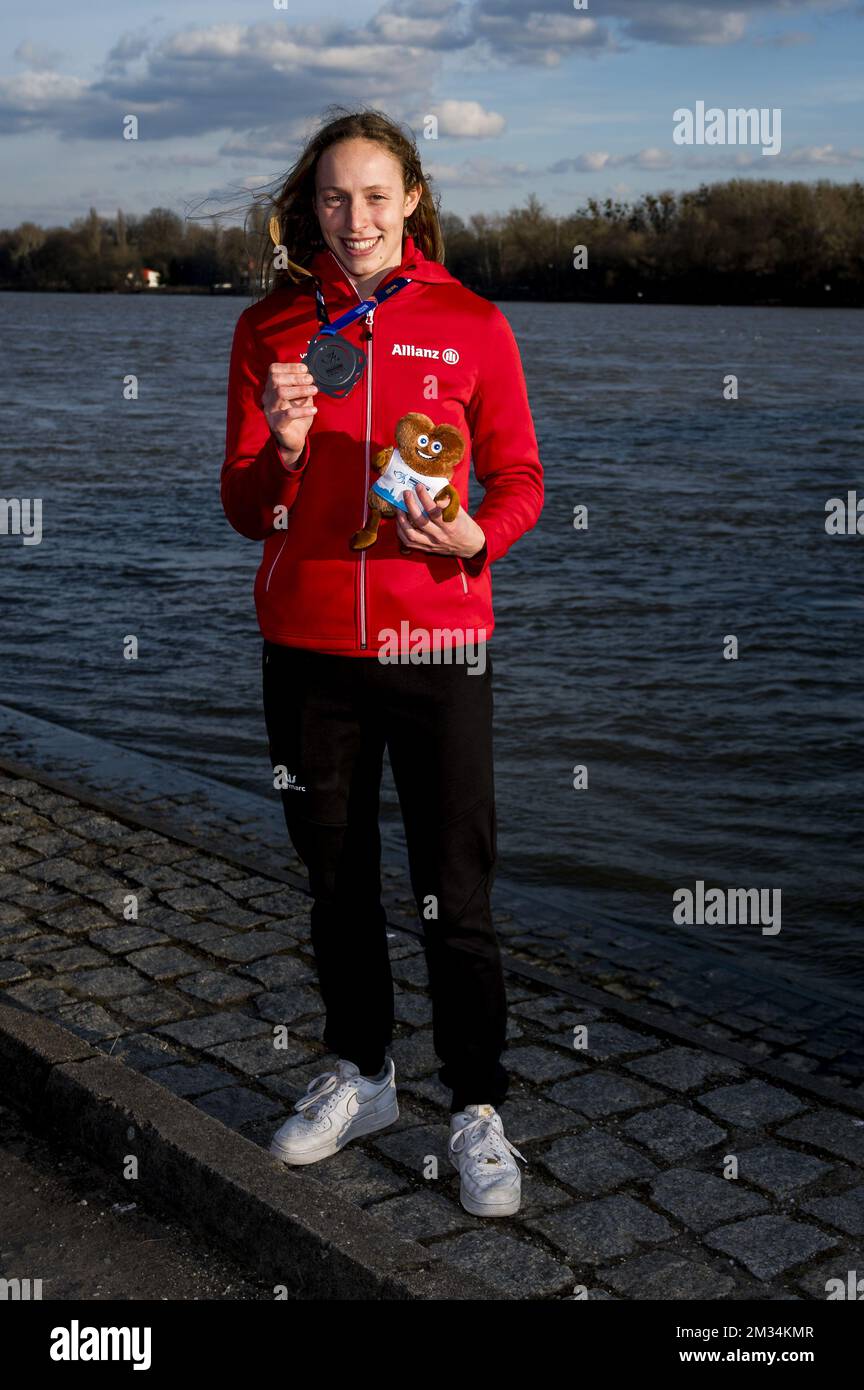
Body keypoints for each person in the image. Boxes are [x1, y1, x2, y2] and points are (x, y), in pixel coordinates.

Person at [221, 108, 543, 1219]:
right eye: (330, 198)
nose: (352, 218)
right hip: (306, 649)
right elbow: (243, 505)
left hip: (438, 644)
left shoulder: (475, 323)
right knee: (335, 877)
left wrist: (476, 539)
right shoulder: (267, 328)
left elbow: (520, 479)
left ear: (412, 197)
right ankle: (363, 1073)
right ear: (305, 207)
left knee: (457, 889)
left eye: (373, 195)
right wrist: (289, 448)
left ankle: (476, 1106)